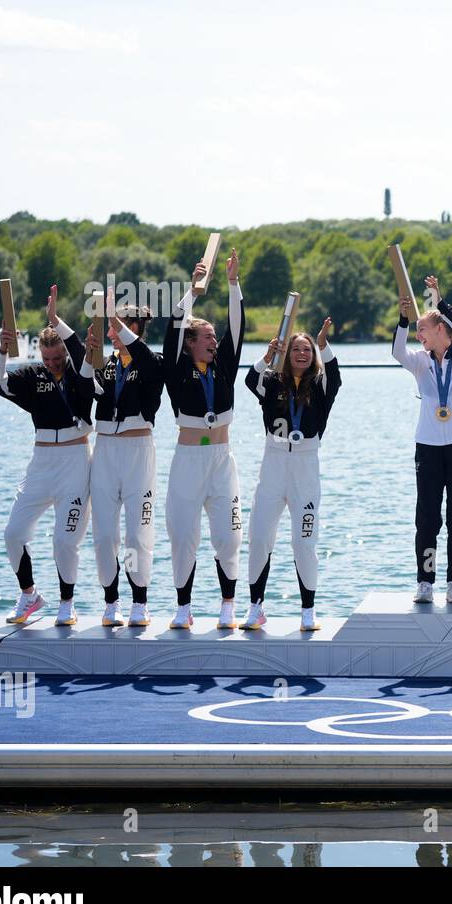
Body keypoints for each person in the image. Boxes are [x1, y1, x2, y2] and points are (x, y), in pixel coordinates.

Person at [0, 285, 94, 626]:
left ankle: (67, 602)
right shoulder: (33, 376)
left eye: (57, 359)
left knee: (65, 541)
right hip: (41, 463)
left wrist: (57, 320)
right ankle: (29, 595)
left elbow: (82, 354)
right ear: (39, 354)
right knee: (13, 533)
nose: (52, 365)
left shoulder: (80, 373)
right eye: (46, 359)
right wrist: (3, 350)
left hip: (76, 461)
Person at [162, 250, 245, 629]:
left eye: (215, 337)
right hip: (188, 460)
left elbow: (238, 326)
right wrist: (193, 291)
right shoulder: (177, 369)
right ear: (190, 343)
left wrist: (232, 283)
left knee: (229, 537)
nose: (215, 341)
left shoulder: (224, 365)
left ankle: (228, 605)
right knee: (183, 536)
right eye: (207, 337)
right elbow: (173, 326)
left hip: (222, 461)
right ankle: (184, 607)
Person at [241, 318, 340, 631]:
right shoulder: (272, 381)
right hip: (273, 464)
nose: (301, 354)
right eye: (296, 349)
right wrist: (268, 355)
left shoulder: (320, 385)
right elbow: (249, 380)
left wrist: (323, 343)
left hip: (306, 469)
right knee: (258, 537)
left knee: (304, 542)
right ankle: (256, 607)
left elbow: (335, 377)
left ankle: (308, 610)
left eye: (306, 349)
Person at [392, 275, 452, 604]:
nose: (419, 336)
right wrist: (404, 319)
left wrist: (441, 304)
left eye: (422, 329)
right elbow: (397, 350)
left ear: (441, 329)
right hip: (428, 448)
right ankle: (425, 581)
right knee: (428, 517)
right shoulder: (419, 362)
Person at [81, 292, 164, 627]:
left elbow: (143, 359)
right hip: (105, 452)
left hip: (137, 453)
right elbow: (88, 387)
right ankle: (110, 600)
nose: (110, 332)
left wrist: (110, 316)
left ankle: (139, 602)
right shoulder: (109, 362)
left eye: (116, 327)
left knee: (136, 534)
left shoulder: (151, 361)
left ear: (132, 327)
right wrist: (89, 355)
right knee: (103, 535)